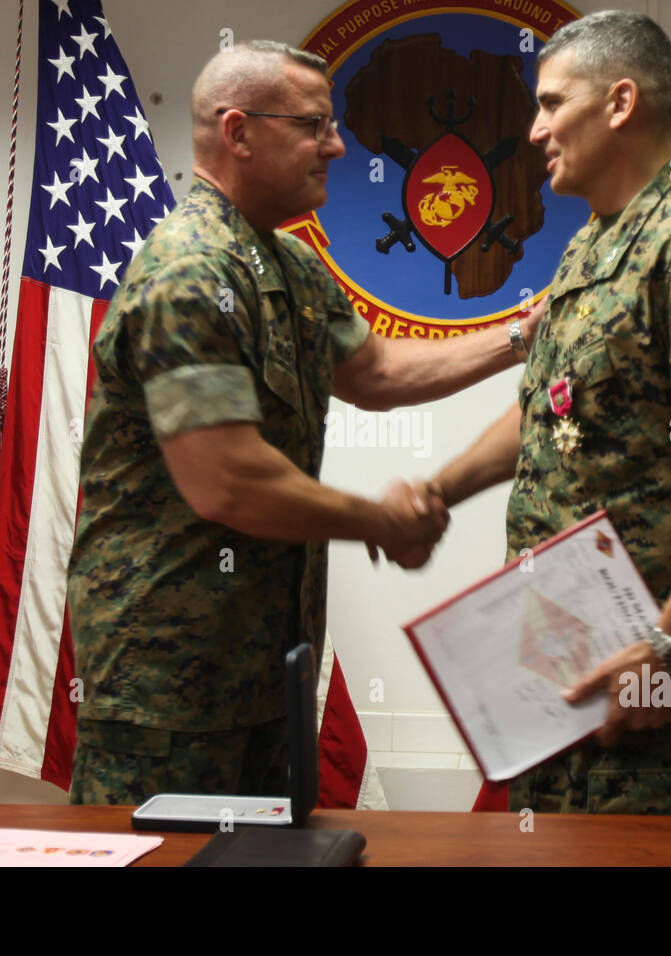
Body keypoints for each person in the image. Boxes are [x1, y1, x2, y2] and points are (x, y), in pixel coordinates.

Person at [66, 41, 539, 805]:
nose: (338, 145)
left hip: (262, 667)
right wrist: (381, 520)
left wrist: (524, 335)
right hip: (169, 681)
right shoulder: (190, 271)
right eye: (314, 125)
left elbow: (378, 375)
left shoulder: (284, 264)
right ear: (239, 131)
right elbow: (228, 481)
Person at [421, 11, 671, 814]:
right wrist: (437, 492)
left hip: (658, 697)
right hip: (567, 678)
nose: (534, 130)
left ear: (621, 103)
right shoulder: (592, 249)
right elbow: (552, 416)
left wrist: (670, 647)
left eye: (551, 103)